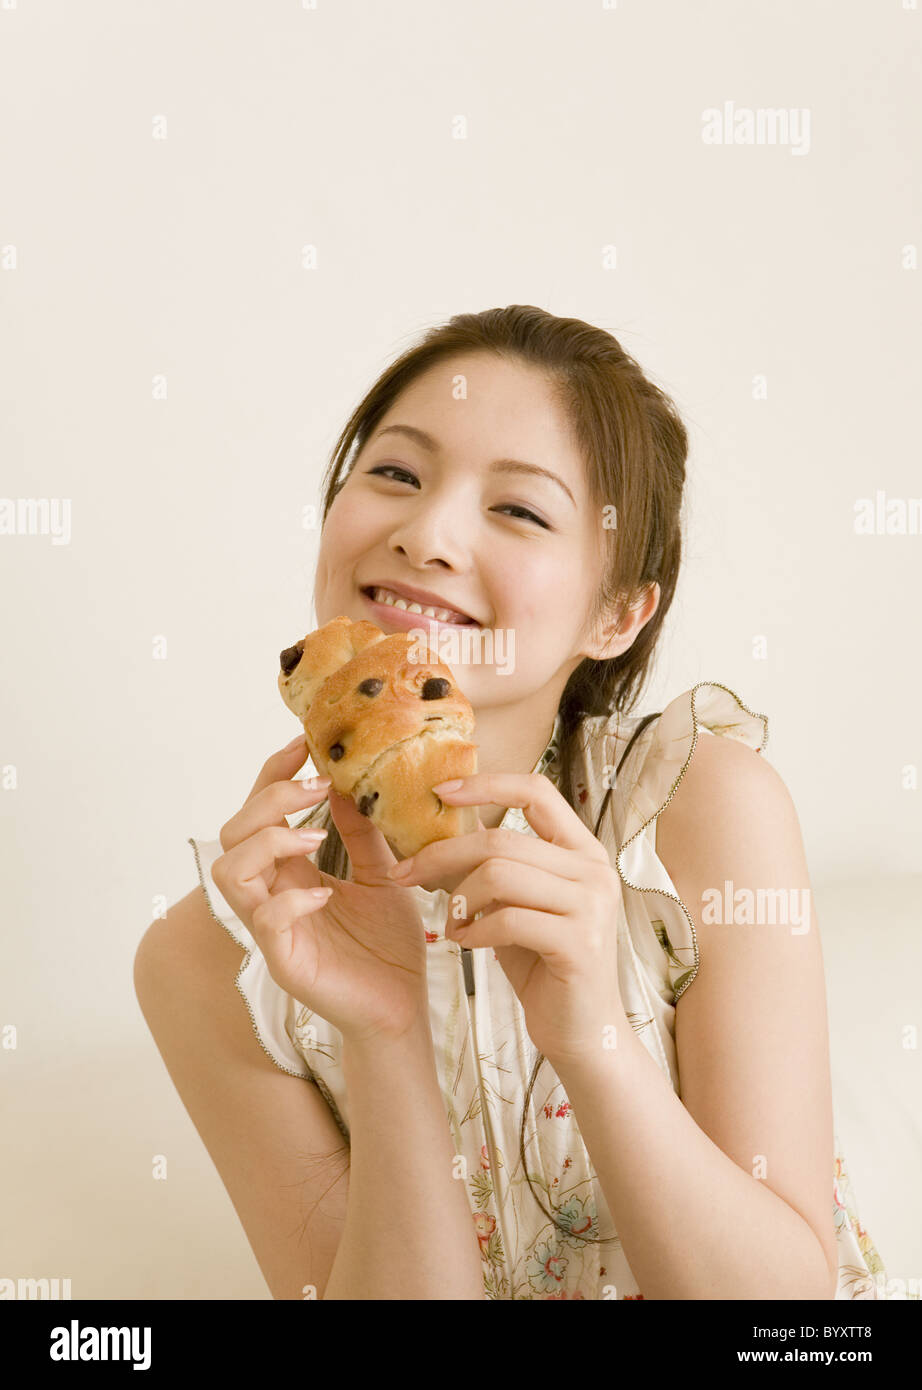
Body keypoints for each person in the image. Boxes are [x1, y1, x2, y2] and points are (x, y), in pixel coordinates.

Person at [140, 305, 887, 1300]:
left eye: (520, 510)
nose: (425, 533)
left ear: (618, 612)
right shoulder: (215, 956)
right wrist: (389, 1032)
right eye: (395, 473)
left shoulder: (697, 812)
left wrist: (593, 1038)